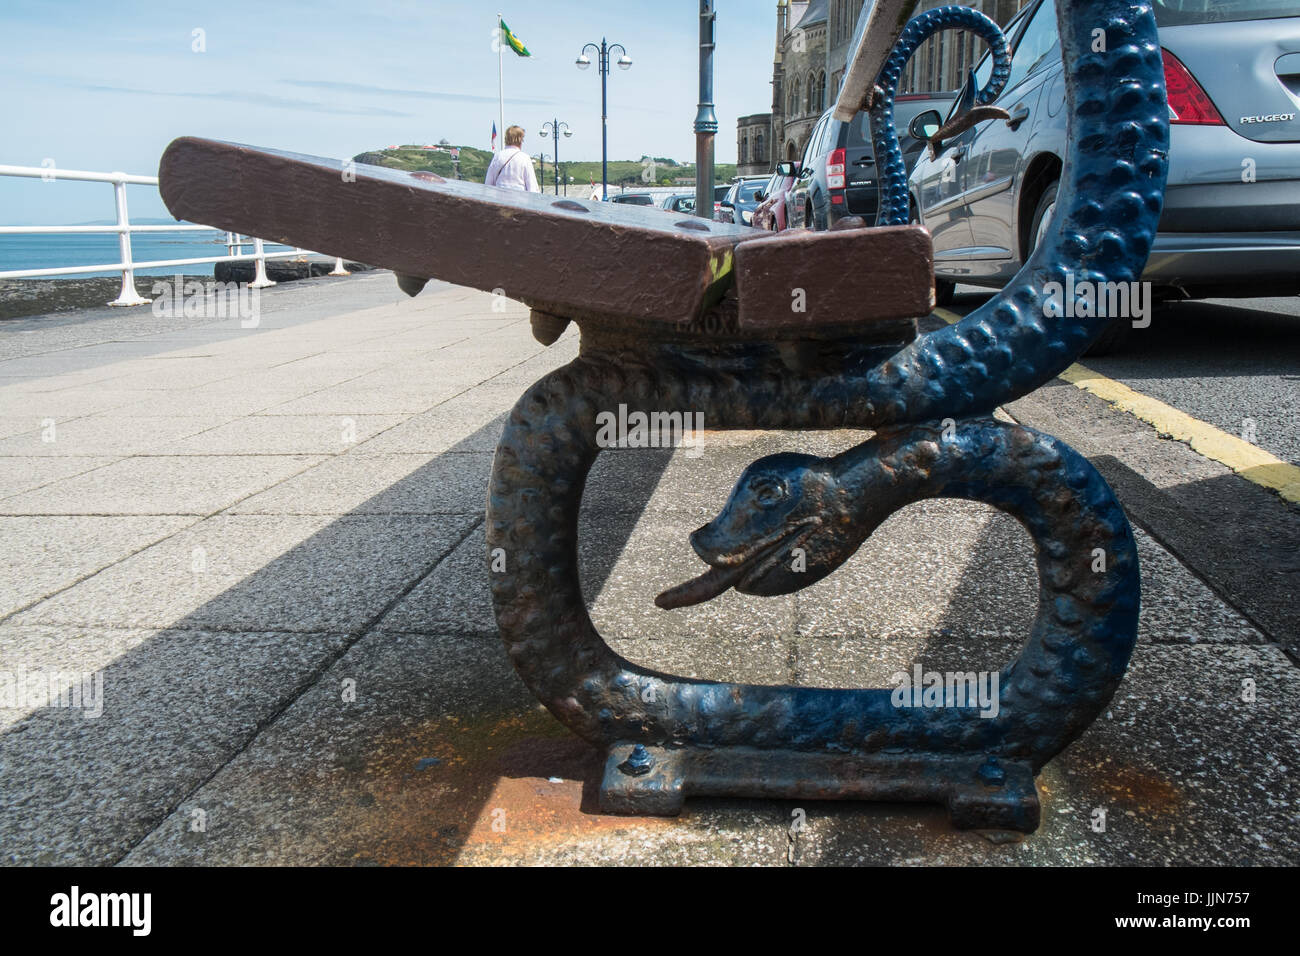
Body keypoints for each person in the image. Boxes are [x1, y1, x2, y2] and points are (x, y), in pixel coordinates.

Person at [485, 126, 541, 193]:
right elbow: (532, 186)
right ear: (520, 140)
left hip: (499, 199)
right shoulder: (524, 158)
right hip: (519, 199)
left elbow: (488, 184)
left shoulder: (498, 156)